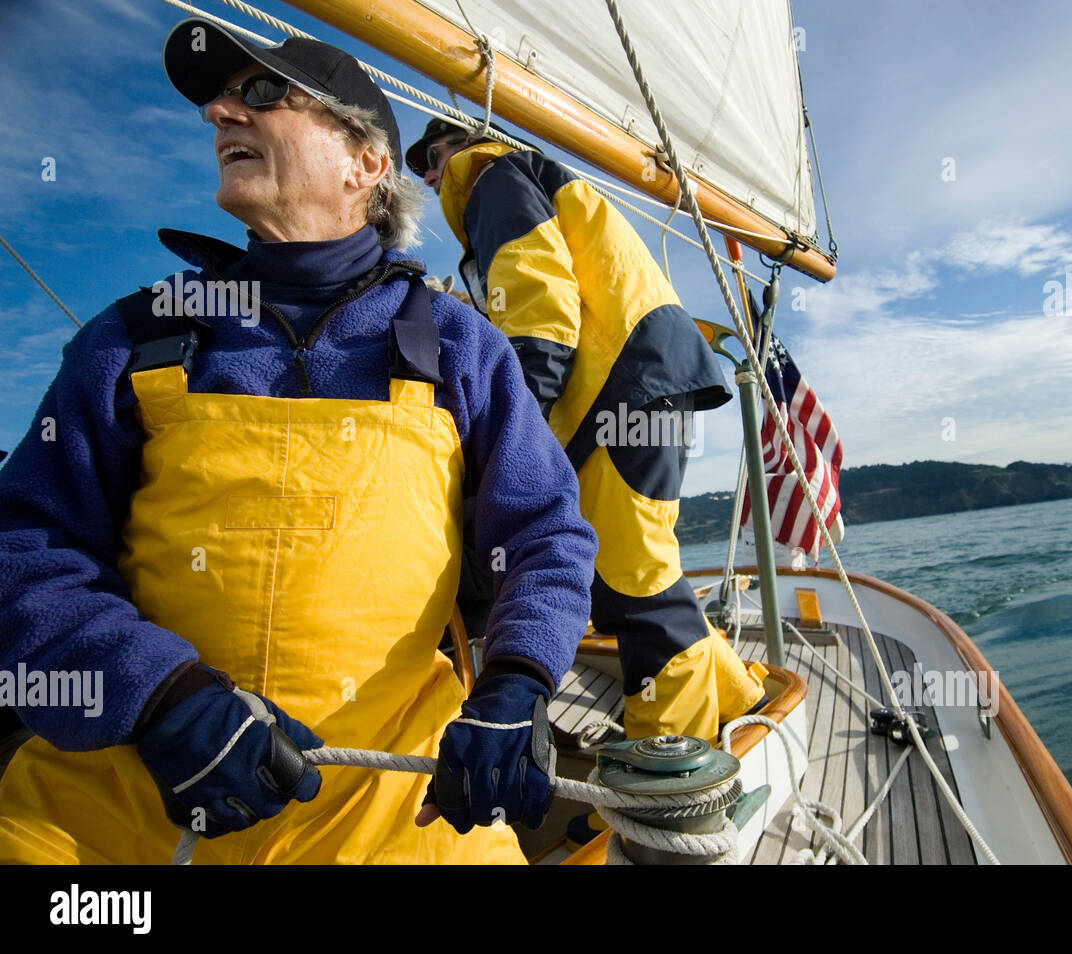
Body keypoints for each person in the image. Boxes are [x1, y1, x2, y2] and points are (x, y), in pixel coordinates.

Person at [0, 20, 597, 865]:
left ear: (367, 164)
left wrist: (518, 681)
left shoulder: (459, 345)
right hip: (116, 814)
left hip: (399, 818)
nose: (219, 113)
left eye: (264, 93)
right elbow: (24, 545)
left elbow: (545, 533)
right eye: (220, 101)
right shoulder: (133, 337)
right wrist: (159, 693)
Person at [406, 120, 766, 748]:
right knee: (641, 572)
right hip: (636, 387)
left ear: (458, 146)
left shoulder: (488, 179)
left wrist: (507, 433)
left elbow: (540, 314)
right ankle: (738, 696)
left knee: (634, 590)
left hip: (621, 391)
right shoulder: (523, 181)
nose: (430, 176)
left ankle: (667, 767)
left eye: (431, 159)